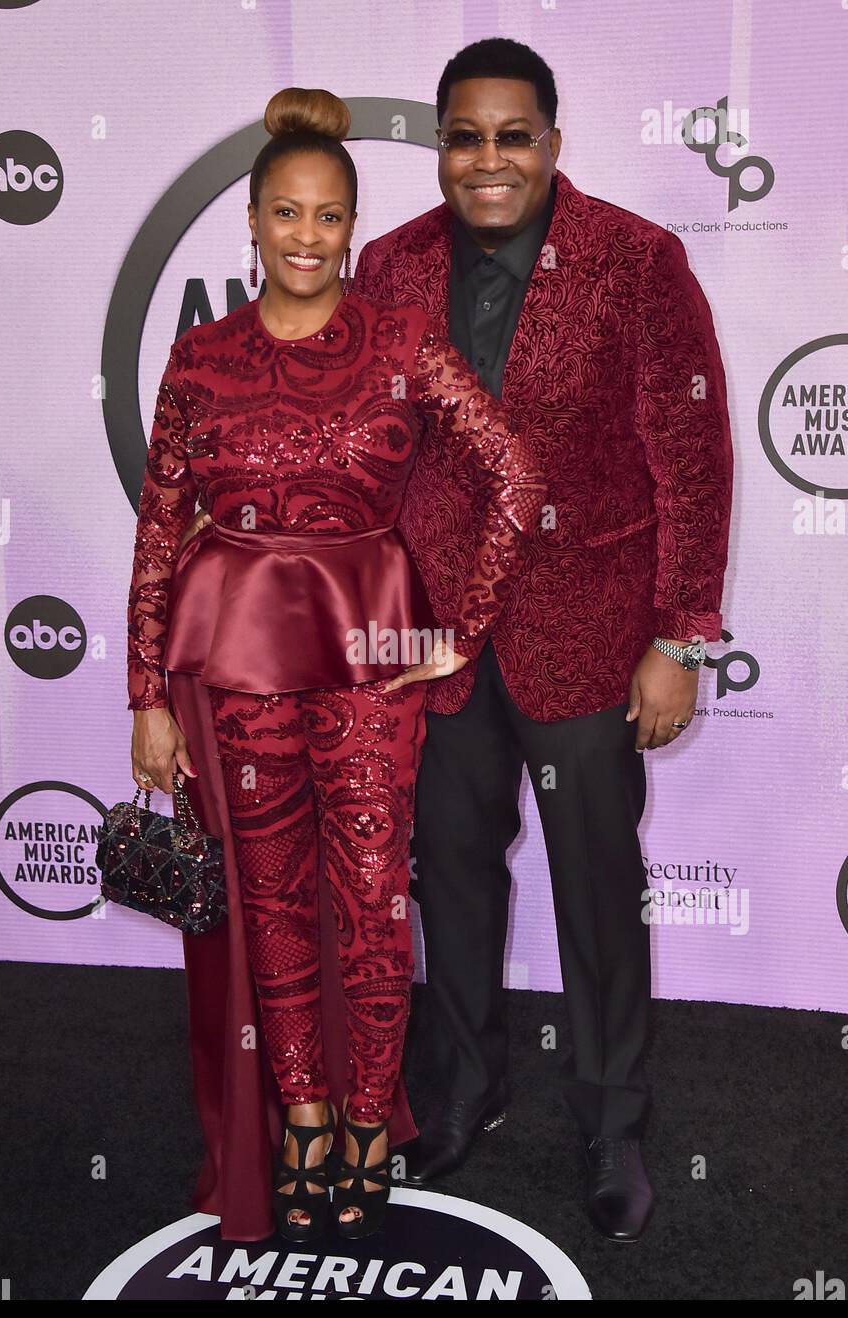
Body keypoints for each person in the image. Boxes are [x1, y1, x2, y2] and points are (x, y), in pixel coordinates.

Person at [126, 86, 547, 1242]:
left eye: (328, 218)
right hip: (236, 664)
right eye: (286, 214)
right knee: (269, 900)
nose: (306, 237)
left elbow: (516, 475)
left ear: (352, 230)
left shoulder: (401, 343)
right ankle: (300, 1119)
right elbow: (161, 530)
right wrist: (145, 696)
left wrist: (454, 629)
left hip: (373, 654)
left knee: (369, 899)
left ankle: (369, 1120)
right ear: (253, 223)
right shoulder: (201, 358)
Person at [352, 39, 734, 1242]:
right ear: (442, 146)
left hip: (590, 631)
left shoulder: (635, 261)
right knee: (449, 880)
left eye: (512, 135)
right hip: (437, 646)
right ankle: (463, 1096)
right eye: (465, 136)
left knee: (598, 896)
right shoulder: (388, 265)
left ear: (552, 143)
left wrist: (681, 633)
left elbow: (693, 459)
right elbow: (371, 454)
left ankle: (612, 1127)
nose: (487, 160)